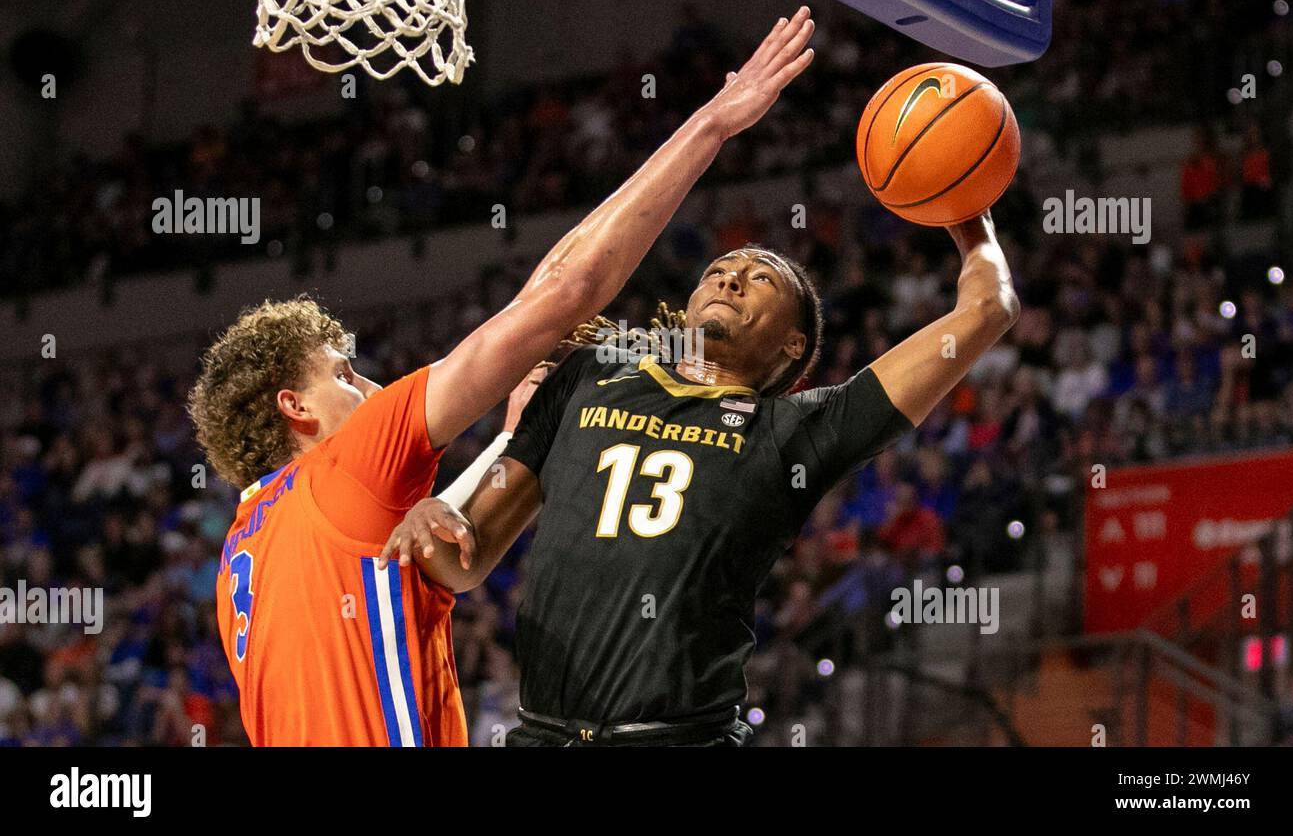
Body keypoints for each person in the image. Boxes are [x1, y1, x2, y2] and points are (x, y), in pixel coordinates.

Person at [187, 7, 818, 746]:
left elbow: (404, 552)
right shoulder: (348, 463)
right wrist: (710, 124)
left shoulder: (246, 546)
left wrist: (510, 443)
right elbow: (560, 297)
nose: (369, 387)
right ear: (295, 407)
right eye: (344, 376)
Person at [384, 206, 1019, 746]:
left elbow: (989, 307)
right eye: (719, 271)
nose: (731, 279)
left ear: (794, 346)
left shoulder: (796, 431)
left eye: (759, 278)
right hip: (540, 732)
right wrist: (434, 514)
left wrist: (971, 222)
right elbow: (466, 556)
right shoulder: (586, 376)